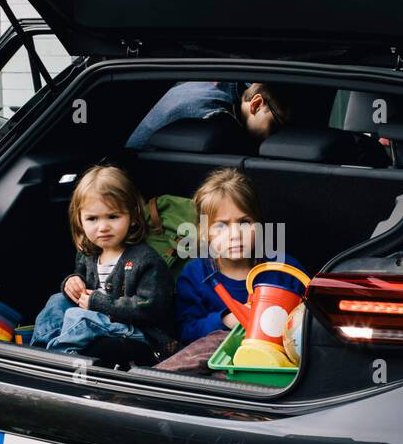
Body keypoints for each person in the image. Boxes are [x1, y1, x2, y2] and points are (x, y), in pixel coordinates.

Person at [31, 164, 175, 358]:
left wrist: (99, 303)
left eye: (113, 216)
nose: (103, 227)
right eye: (92, 219)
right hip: (98, 321)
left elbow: (151, 308)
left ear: (132, 216)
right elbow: (81, 278)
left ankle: (58, 357)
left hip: (139, 334)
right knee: (56, 301)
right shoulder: (88, 254)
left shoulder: (146, 260)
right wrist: (73, 282)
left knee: (78, 317)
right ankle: (38, 351)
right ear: (80, 220)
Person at [174, 167, 307, 345]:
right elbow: (185, 331)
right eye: (221, 226)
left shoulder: (286, 270)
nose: (235, 234)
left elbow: (312, 320)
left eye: (244, 222)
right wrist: (225, 320)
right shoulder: (195, 275)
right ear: (204, 232)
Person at [126, 80, 290, 151]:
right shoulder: (216, 124)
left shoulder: (219, 85)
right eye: (276, 125)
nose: (278, 137)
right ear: (255, 104)